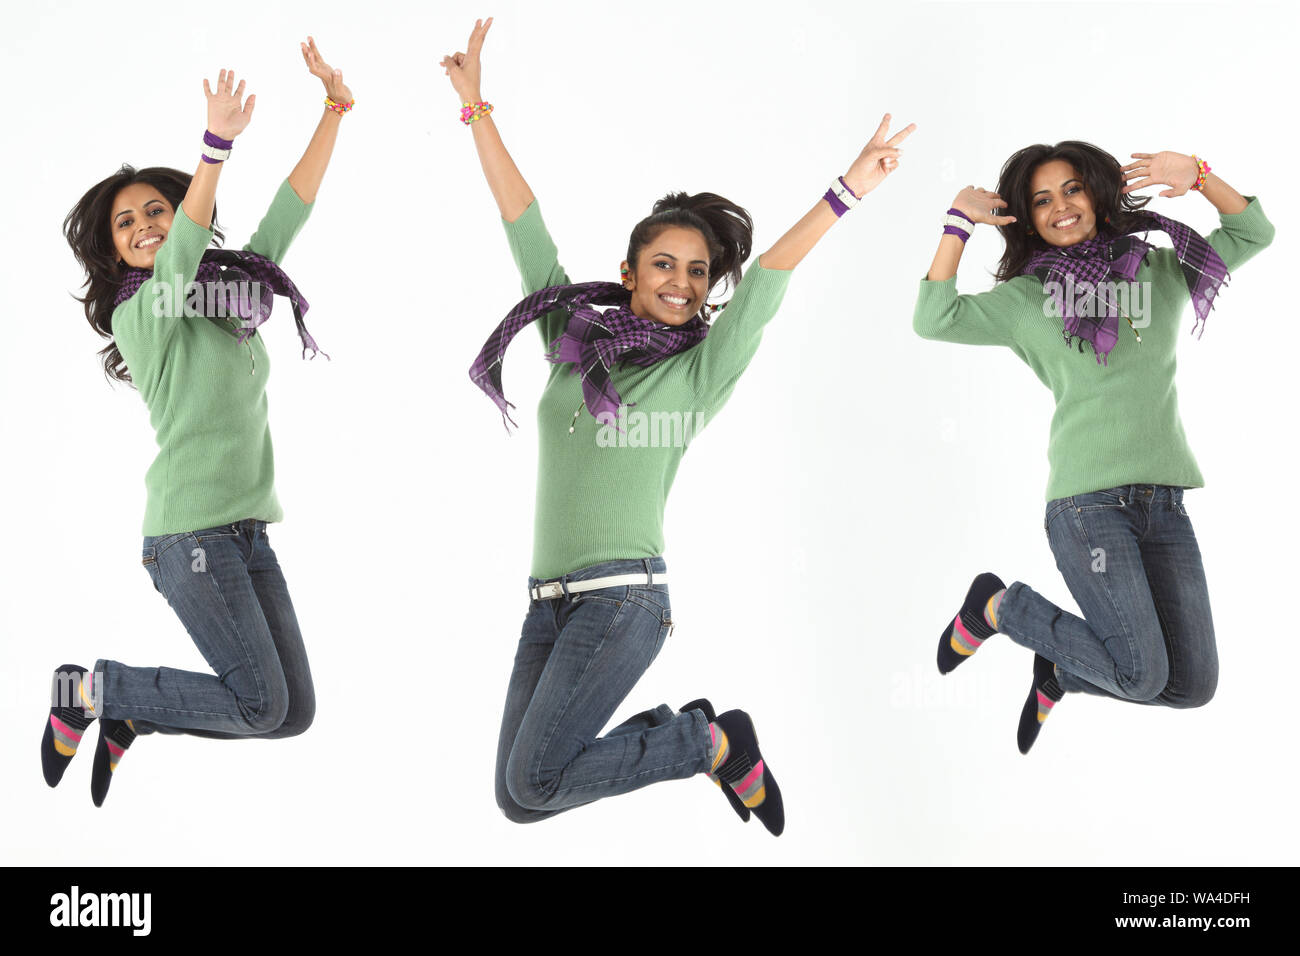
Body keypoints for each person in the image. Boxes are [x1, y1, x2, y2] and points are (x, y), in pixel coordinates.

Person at [446, 17, 914, 834]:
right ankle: (696, 737)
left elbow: (767, 279)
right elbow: (522, 218)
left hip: (624, 601)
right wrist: (478, 106)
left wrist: (847, 190)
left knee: (539, 777)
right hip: (545, 604)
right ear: (628, 271)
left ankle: (711, 744)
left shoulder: (699, 371)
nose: (682, 282)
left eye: (698, 273)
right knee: (519, 797)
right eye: (664, 264)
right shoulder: (570, 339)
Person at [44, 39, 354, 806]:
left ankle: (133, 711)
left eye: (157, 209)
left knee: (292, 715)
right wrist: (215, 146)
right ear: (113, 250)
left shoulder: (234, 295)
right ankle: (91, 691)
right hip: (189, 537)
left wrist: (334, 109)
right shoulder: (139, 312)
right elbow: (179, 258)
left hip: (246, 534)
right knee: (259, 704)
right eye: (128, 223)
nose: (147, 225)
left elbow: (291, 209)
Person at [915, 141, 1274, 753]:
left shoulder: (1158, 272)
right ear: (1028, 218)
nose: (1061, 207)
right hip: (1088, 508)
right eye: (1042, 200)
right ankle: (1001, 609)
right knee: (1141, 673)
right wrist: (957, 223)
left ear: (1098, 195)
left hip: (1164, 505)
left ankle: (1060, 671)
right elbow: (935, 318)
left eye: (1073, 189)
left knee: (1191, 685)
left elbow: (1252, 231)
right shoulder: (1027, 301)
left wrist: (1199, 176)